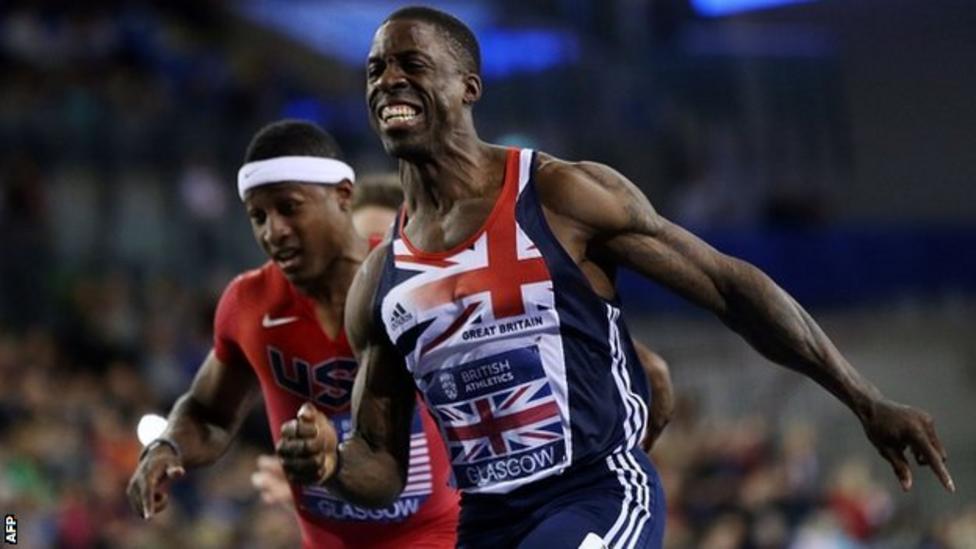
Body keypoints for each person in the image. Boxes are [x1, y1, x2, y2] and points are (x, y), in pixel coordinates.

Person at [278, 8, 956, 548]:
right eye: (374, 69)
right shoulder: (382, 280)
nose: (386, 79)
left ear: (467, 87)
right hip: (485, 524)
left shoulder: (559, 194)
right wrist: (333, 464)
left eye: (410, 64)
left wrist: (864, 398)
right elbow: (381, 458)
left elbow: (729, 287)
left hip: (595, 491)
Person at [126, 120, 460, 548]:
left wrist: (332, 462)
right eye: (258, 216)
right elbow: (210, 414)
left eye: (289, 207)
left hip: (436, 533)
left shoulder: (413, 282)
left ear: (343, 195)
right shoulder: (249, 304)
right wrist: (168, 446)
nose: (273, 231)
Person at [253, 174, 674, 506]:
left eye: (384, 251)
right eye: (367, 256)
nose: (369, 271)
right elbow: (370, 467)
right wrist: (328, 468)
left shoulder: (466, 324)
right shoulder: (338, 350)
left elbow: (628, 366)